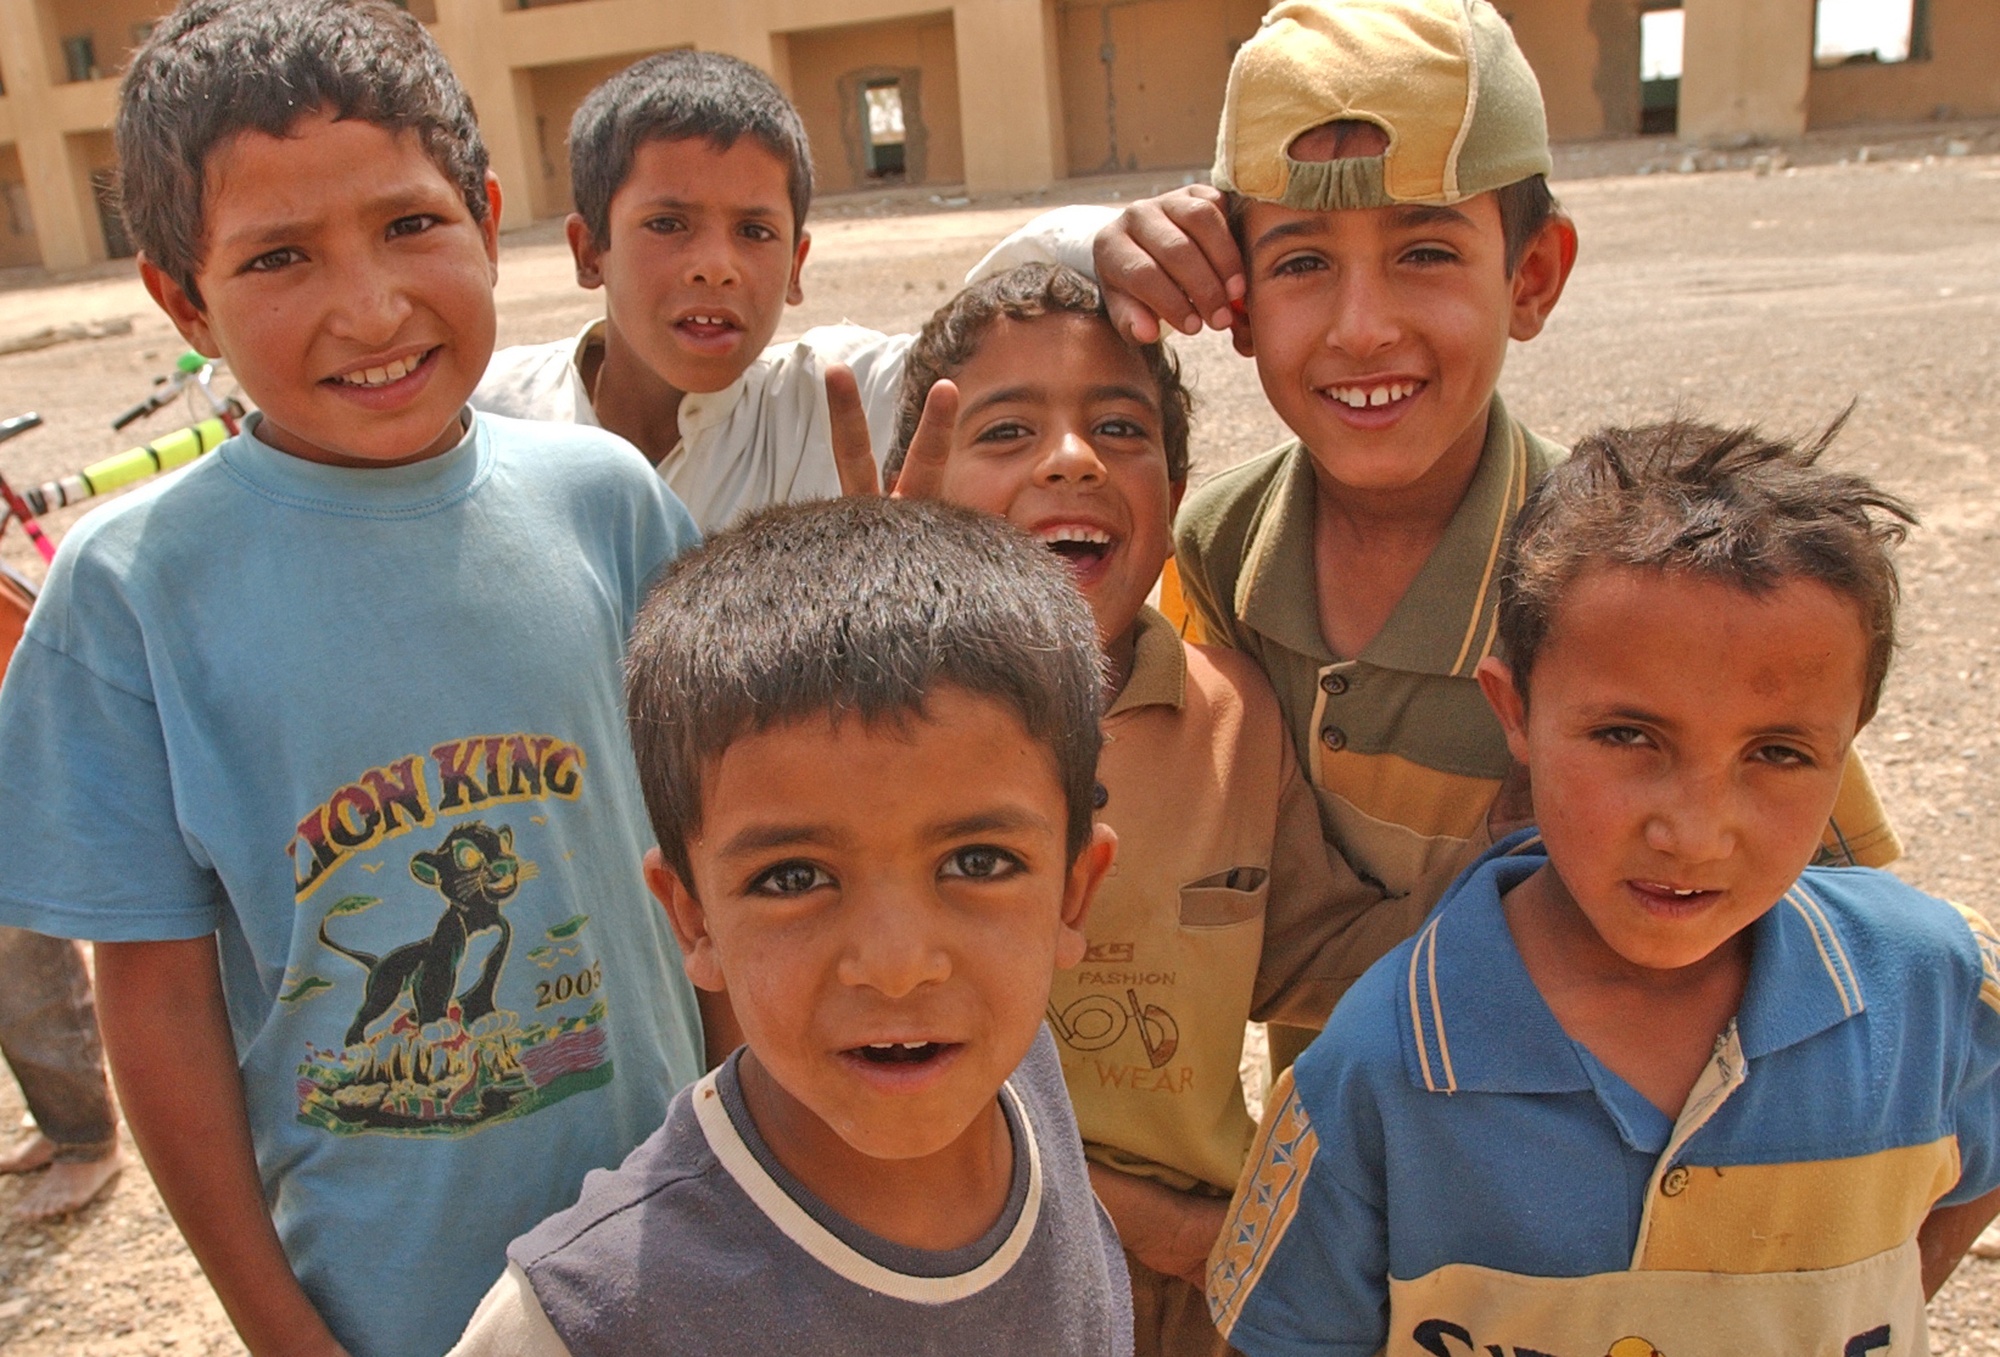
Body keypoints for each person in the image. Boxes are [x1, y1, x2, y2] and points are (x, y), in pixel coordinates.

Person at [0, 3, 705, 1353]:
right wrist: (280, 1327)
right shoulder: (135, 588)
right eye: (277, 256)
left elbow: (708, 844)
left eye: (409, 225)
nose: (370, 307)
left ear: (487, 218)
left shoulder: (605, 502)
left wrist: (758, 1144)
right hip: (387, 1296)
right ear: (180, 299)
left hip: (678, 1229)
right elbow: (151, 997)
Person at [1073, 0, 1901, 1073]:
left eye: (1423, 251)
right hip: (1352, 1157)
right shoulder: (1216, 548)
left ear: (1531, 277)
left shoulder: (1628, 575)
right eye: (1299, 263)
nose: (1361, 324)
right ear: (1232, 302)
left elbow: (1871, 938)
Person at [1205, 418, 2000, 1355]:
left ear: (1849, 742)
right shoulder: (1379, 1070)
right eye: (1629, 736)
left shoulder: (1927, 984)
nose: (1694, 831)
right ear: (1516, 715)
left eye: (1778, 752)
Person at [448, 496, 1133, 1356]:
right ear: (690, 915)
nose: (896, 967)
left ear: (1075, 893)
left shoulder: (1024, 1077)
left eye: (978, 861)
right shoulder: (589, 1320)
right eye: (794, 877)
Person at [882, 263, 1398, 1356]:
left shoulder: (1236, 712)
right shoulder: (869, 738)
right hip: (971, 1268)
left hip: (1201, 1285)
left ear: (1172, 496)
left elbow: (1320, 945)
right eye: (1006, 431)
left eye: (1119, 429)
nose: (1070, 458)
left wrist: (1531, 879)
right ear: (920, 485)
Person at [471, 50, 906, 532]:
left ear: (795, 268)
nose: (715, 267)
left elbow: (998, 314)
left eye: (755, 232)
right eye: (667, 224)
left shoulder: (827, 401)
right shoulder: (487, 416)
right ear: (590, 251)